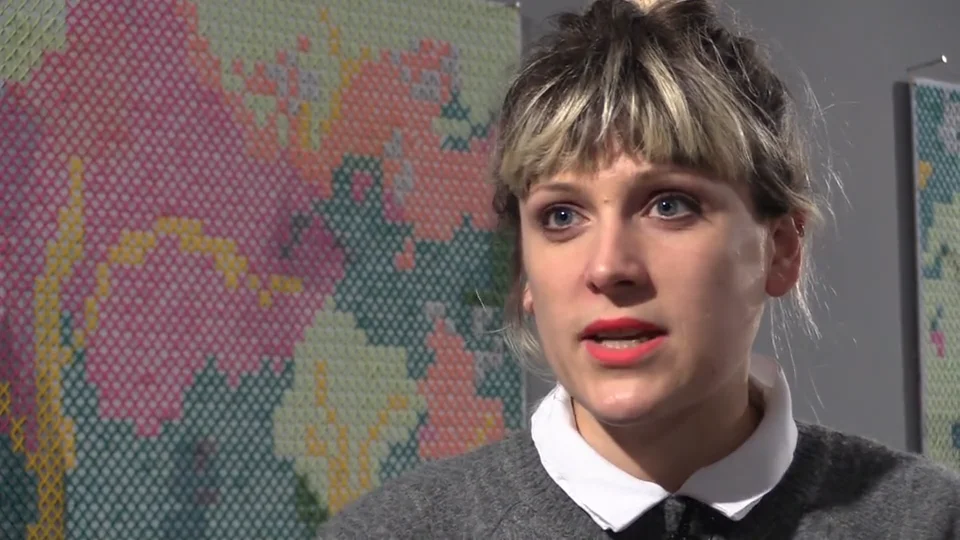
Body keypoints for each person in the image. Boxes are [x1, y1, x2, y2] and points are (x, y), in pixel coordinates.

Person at [318, 0, 960, 538]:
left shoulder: (928, 520)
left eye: (669, 205)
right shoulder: (393, 531)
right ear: (525, 272)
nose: (608, 267)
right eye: (562, 216)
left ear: (782, 248)